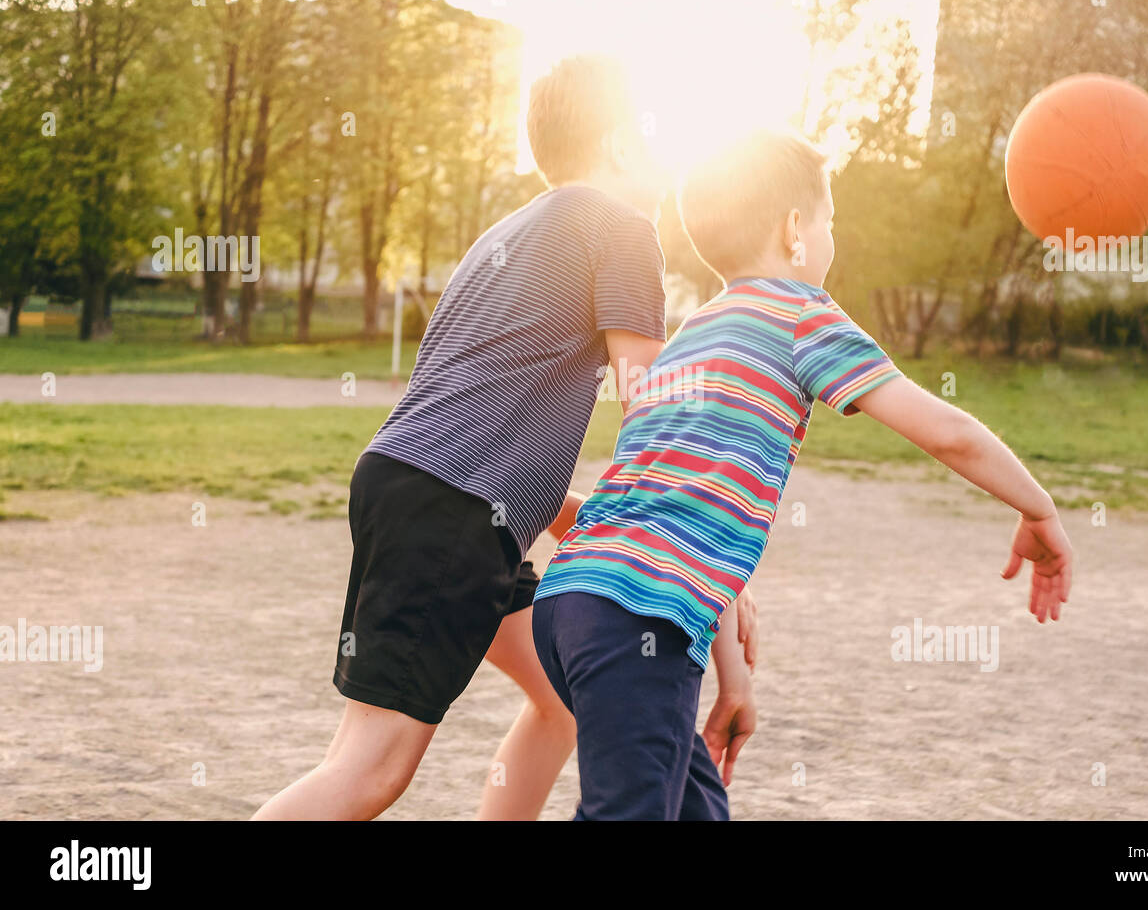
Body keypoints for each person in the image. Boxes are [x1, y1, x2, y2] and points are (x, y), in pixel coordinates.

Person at [254, 55, 754, 821]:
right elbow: (655, 414)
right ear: (622, 144)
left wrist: (572, 515)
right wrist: (715, 551)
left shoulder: (521, 229)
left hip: (430, 493)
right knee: (371, 769)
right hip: (453, 509)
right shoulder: (622, 226)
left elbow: (493, 414)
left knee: (563, 698)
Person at [531, 128, 1074, 820]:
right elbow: (950, 434)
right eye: (830, 222)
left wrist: (732, 681)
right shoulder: (801, 315)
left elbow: (684, 524)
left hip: (576, 605)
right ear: (795, 229)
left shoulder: (686, 344)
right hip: (639, 619)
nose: (830, 239)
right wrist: (1039, 509)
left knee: (696, 811)